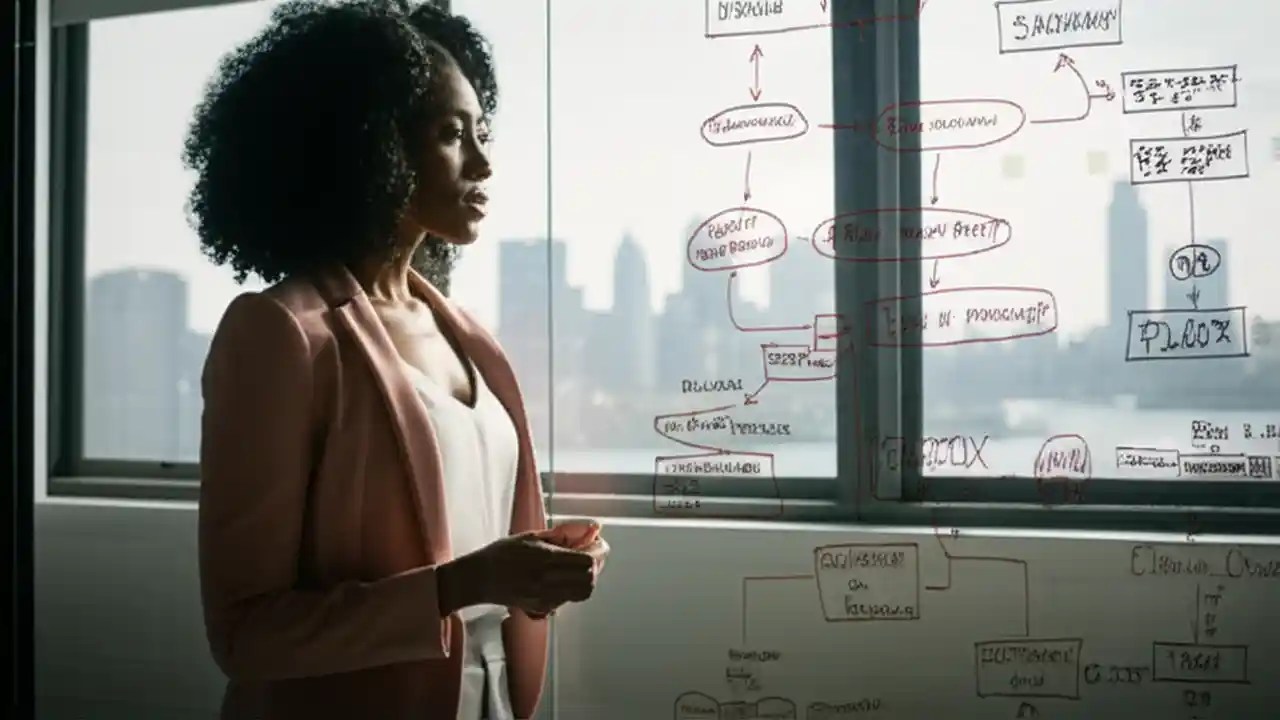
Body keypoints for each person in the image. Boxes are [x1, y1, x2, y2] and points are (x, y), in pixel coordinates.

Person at [182, 2, 609, 718]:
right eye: (450, 134)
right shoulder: (282, 333)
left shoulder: (471, 337)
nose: (483, 160)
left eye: (482, 131)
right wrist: (457, 587)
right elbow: (245, 632)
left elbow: (465, 538)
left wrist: (539, 566)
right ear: (369, 147)